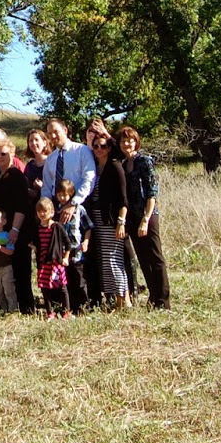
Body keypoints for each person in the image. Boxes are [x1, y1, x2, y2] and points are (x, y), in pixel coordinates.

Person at [118, 125, 170, 309]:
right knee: (143, 259)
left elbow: (152, 192)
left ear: (136, 141)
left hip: (147, 216)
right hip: (131, 217)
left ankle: (163, 300)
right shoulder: (123, 165)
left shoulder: (145, 161)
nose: (127, 144)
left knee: (155, 257)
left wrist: (146, 219)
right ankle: (153, 297)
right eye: (123, 141)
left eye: (130, 140)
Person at [0, 134, 35, 312]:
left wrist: (14, 229)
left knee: (21, 269)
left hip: (16, 230)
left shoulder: (16, 175)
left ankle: (27, 307)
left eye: (3, 153)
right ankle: (11, 307)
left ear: (12, 153)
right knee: (10, 272)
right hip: (3, 231)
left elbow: (22, 205)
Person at [87, 132, 131, 310]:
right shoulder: (95, 167)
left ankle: (125, 300)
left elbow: (123, 199)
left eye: (103, 146)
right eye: (96, 146)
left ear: (110, 148)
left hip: (112, 220)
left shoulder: (115, 166)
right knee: (105, 261)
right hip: (98, 219)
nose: (99, 149)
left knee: (114, 260)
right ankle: (115, 300)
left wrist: (121, 222)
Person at [33, 197, 74, 319]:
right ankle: (50, 312)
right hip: (43, 263)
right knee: (44, 288)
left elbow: (68, 244)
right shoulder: (37, 228)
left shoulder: (57, 227)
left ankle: (66, 312)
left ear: (52, 212)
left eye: (45, 211)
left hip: (56, 262)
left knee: (62, 287)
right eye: (39, 211)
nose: (42, 214)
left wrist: (65, 257)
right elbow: (33, 241)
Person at [53, 178, 92, 308]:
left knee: (79, 279)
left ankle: (83, 305)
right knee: (65, 280)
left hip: (77, 251)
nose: (62, 198)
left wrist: (86, 242)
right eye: (59, 195)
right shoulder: (55, 211)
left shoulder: (79, 209)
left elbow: (88, 227)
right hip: (62, 253)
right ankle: (69, 306)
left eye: (65, 195)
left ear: (71, 194)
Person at [24, 129, 51, 202]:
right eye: (31, 141)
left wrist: (43, 187)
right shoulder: (29, 165)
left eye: (36, 140)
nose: (33, 143)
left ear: (44, 142)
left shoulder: (51, 162)